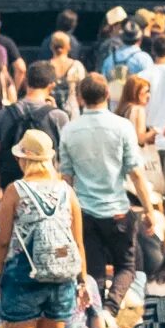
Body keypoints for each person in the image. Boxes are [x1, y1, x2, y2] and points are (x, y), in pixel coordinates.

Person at [58, 75, 147, 308]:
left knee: (93, 270)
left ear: (80, 97)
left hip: (84, 210)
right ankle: (111, 307)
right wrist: (150, 209)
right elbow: (136, 173)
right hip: (117, 208)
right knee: (127, 266)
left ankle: (96, 314)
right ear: (108, 94)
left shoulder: (69, 130)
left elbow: (66, 177)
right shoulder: (122, 126)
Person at [0, 128, 86, 328]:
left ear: (24, 159)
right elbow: (78, 242)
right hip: (62, 275)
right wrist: (82, 280)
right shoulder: (67, 191)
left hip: (24, 274)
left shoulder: (15, 190)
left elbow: (3, 241)